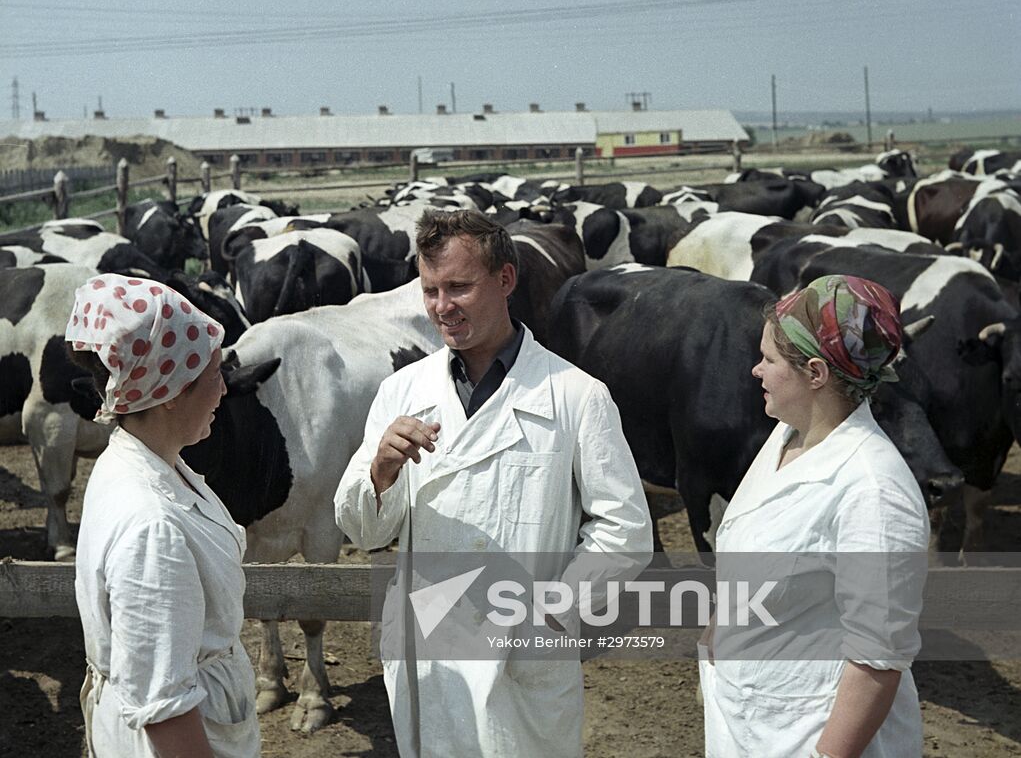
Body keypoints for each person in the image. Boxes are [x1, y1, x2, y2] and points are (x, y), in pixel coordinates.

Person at [335, 209, 653, 758]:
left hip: (520, 657)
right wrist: (380, 472)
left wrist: (557, 607)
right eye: (430, 290)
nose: (441, 307)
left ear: (506, 280)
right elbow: (362, 531)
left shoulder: (575, 396)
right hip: (429, 654)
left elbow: (624, 530)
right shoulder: (402, 391)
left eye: (458, 287)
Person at [700, 274, 929, 758]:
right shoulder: (789, 436)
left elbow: (878, 660)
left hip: (806, 734)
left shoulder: (874, 491)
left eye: (768, 359)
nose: (755, 372)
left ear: (816, 373)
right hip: (753, 717)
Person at [66, 273, 260, 758]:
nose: (222, 392)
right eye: (214, 375)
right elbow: (165, 707)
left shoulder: (141, 460)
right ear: (171, 391)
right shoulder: (152, 527)